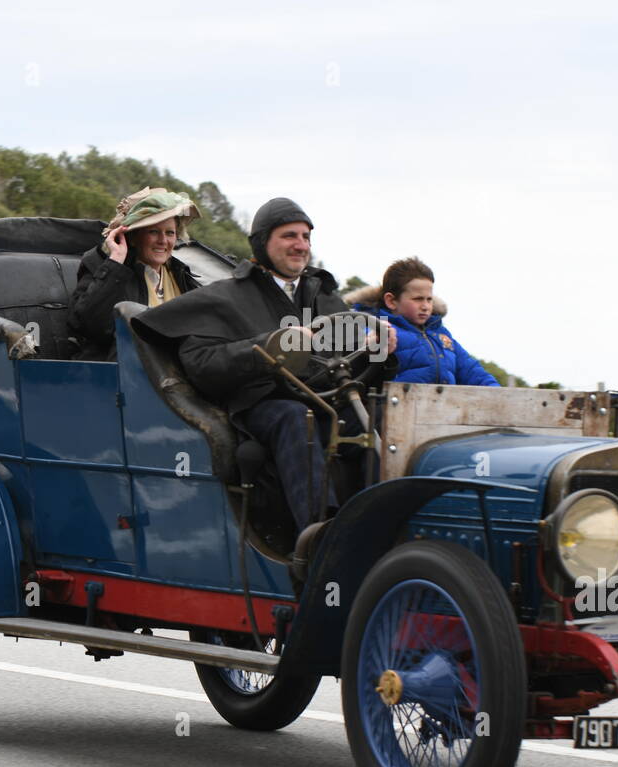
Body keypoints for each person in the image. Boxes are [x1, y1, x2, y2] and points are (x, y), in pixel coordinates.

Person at [132, 196, 396, 532]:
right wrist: (269, 348)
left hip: (325, 397)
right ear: (262, 242)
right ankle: (320, 535)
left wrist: (380, 352)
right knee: (297, 418)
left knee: (381, 413)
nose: (300, 245)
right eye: (289, 236)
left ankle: (385, 524)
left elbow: (349, 363)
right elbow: (203, 365)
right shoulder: (226, 297)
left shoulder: (322, 294)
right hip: (263, 404)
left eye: (306, 237)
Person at [68, 188, 202, 360]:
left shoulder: (180, 274)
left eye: (170, 233)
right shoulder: (103, 266)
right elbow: (89, 326)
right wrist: (116, 261)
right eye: (153, 231)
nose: (163, 241)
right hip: (121, 374)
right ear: (132, 237)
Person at [347, 256, 500, 387]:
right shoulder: (376, 327)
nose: (426, 306)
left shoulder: (441, 335)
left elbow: (471, 371)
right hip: (394, 413)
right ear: (391, 301)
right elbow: (370, 344)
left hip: (441, 414)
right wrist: (377, 339)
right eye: (418, 299)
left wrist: (497, 393)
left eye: (429, 299)